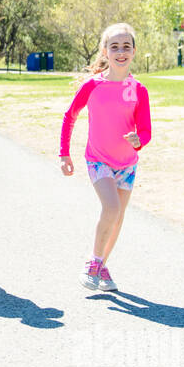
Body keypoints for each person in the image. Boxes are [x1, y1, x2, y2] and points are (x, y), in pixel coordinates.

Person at [59, 22, 152, 292]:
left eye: (126, 47)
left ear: (133, 51)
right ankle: (93, 263)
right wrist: (64, 153)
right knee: (110, 208)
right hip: (98, 159)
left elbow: (145, 130)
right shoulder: (92, 86)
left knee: (118, 217)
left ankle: (102, 266)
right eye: (115, 47)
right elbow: (70, 116)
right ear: (105, 51)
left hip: (127, 165)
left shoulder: (139, 89)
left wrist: (139, 141)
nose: (120, 52)